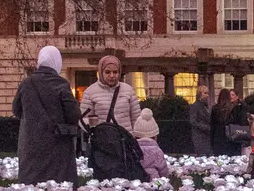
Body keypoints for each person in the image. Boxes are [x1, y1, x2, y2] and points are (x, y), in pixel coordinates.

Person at [11, 43, 81, 183]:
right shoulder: (61, 84)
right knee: (58, 189)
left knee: (32, 190)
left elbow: (16, 110)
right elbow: (73, 115)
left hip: (31, 145)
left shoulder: (26, 83)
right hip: (58, 145)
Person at [78, 53, 150, 180]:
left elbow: (136, 118)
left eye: (115, 72)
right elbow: (82, 118)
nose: (112, 76)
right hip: (103, 145)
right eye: (108, 72)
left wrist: (135, 138)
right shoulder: (90, 92)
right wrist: (93, 129)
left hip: (125, 144)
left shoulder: (128, 90)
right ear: (101, 72)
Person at [131, 105, 171, 180]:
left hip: (135, 183)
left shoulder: (132, 150)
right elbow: (163, 171)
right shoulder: (157, 151)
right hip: (154, 183)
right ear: (155, 136)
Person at [185, 87, 214, 156]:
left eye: (208, 93)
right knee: (202, 155)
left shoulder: (206, 106)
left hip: (207, 135)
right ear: (199, 94)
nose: (207, 95)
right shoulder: (195, 106)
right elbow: (193, 121)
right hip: (199, 136)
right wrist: (206, 127)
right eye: (205, 93)